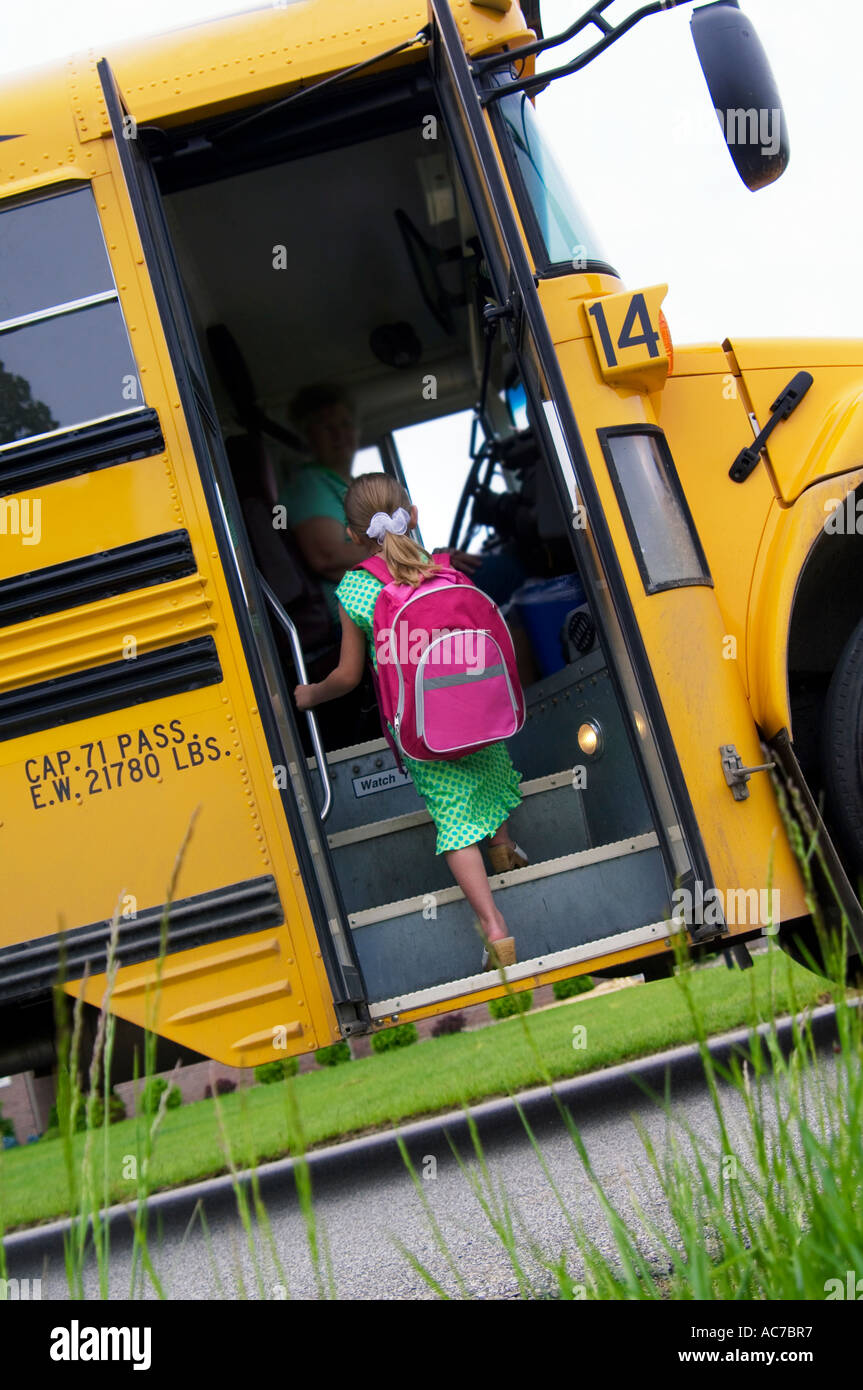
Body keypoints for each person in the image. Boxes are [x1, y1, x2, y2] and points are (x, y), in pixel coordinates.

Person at [293, 472, 529, 970]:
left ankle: (496, 929)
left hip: (420, 726)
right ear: (413, 515)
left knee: (454, 821)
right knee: (489, 770)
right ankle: (505, 849)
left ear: (353, 536)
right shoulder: (440, 570)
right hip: (476, 710)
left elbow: (348, 675)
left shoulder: (354, 589)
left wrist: (309, 695)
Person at [278, 383, 484, 623]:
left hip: (399, 594)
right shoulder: (310, 484)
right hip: (374, 610)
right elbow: (327, 557)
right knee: (494, 585)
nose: (339, 435)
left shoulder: (352, 486)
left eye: (345, 424)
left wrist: (432, 561)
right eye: (327, 427)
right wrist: (424, 563)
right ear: (308, 436)